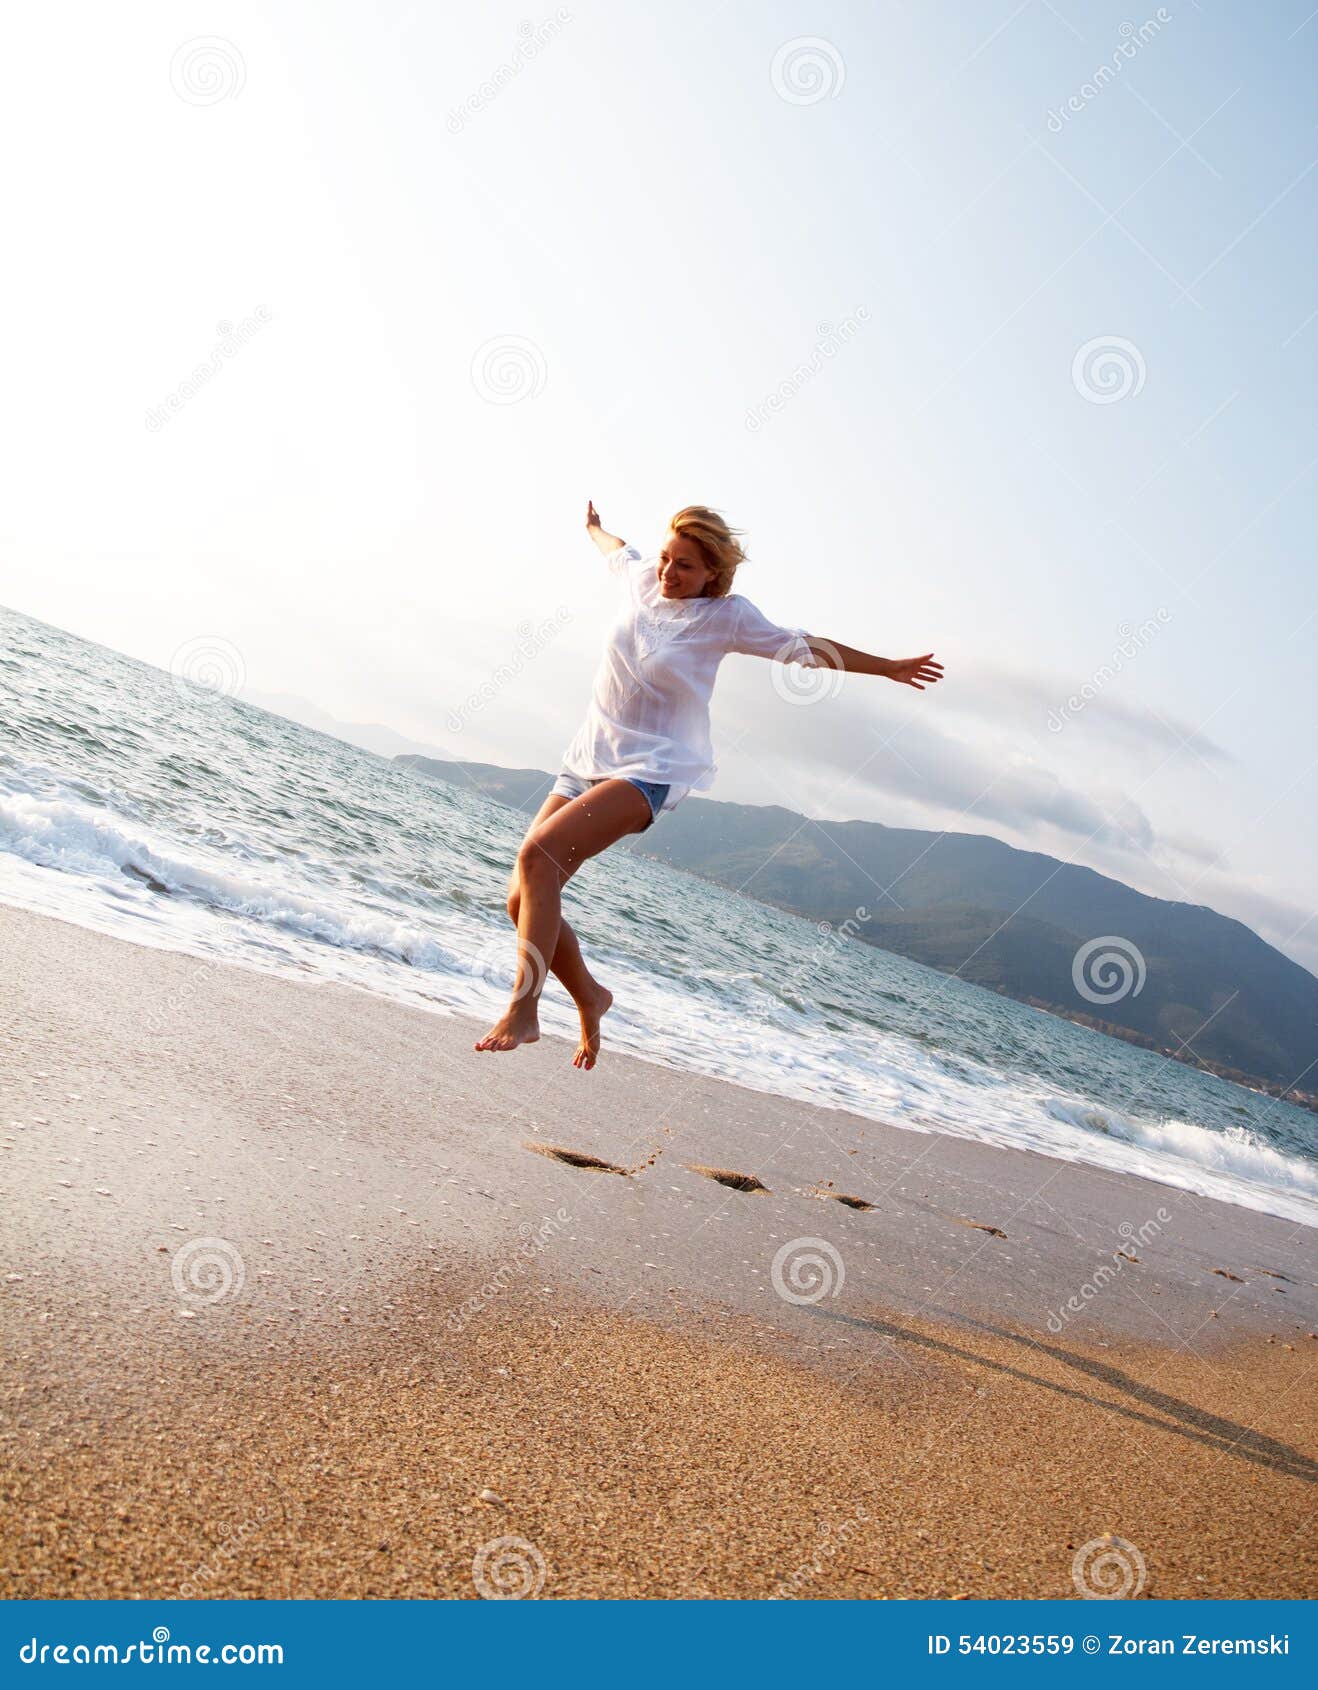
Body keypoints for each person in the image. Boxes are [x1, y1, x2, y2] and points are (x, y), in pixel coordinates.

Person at [474, 502, 944, 1067]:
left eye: (686, 566)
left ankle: (524, 1010)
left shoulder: (728, 617)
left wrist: (887, 667)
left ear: (713, 575)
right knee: (520, 896)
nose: (670, 573)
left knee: (537, 855)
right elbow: (616, 550)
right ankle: (592, 997)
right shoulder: (644, 578)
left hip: (652, 768)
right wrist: (594, 529)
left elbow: (806, 648)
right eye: (668, 558)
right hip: (587, 757)